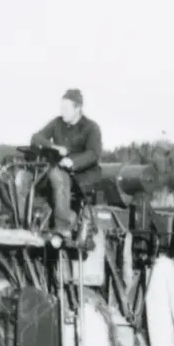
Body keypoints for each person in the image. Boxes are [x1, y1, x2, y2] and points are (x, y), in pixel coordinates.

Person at [26, 88, 103, 238]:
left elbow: (93, 153)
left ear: (78, 109)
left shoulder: (91, 128)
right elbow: (36, 138)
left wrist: (72, 161)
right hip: (57, 171)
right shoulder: (57, 123)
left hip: (82, 175)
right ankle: (26, 224)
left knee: (56, 175)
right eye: (61, 108)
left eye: (66, 108)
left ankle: (64, 224)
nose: (62, 112)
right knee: (24, 177)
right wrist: (54, 147)